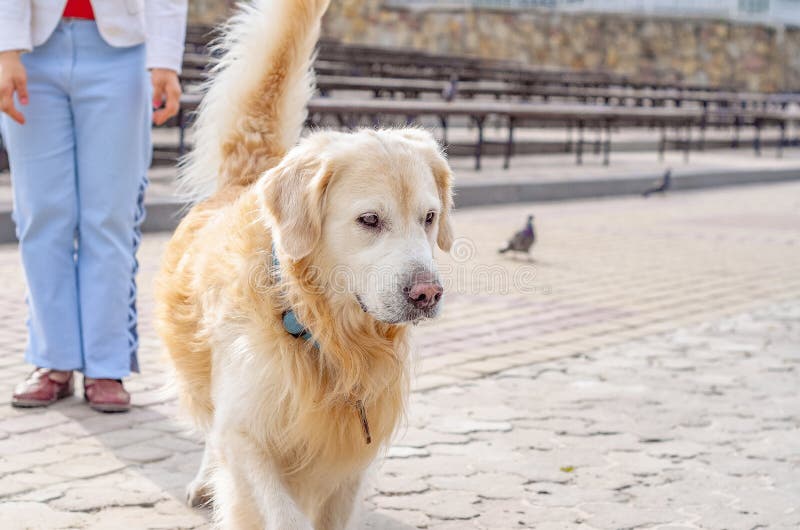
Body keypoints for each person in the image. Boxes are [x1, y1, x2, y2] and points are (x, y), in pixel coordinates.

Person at [0, 0, 187, 412]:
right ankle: (52, 362)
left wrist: (165, 61)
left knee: (109, 217)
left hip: (121, 56)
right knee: (41, 215)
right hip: (31, 53)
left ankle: (106, 364)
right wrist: (5, 48)